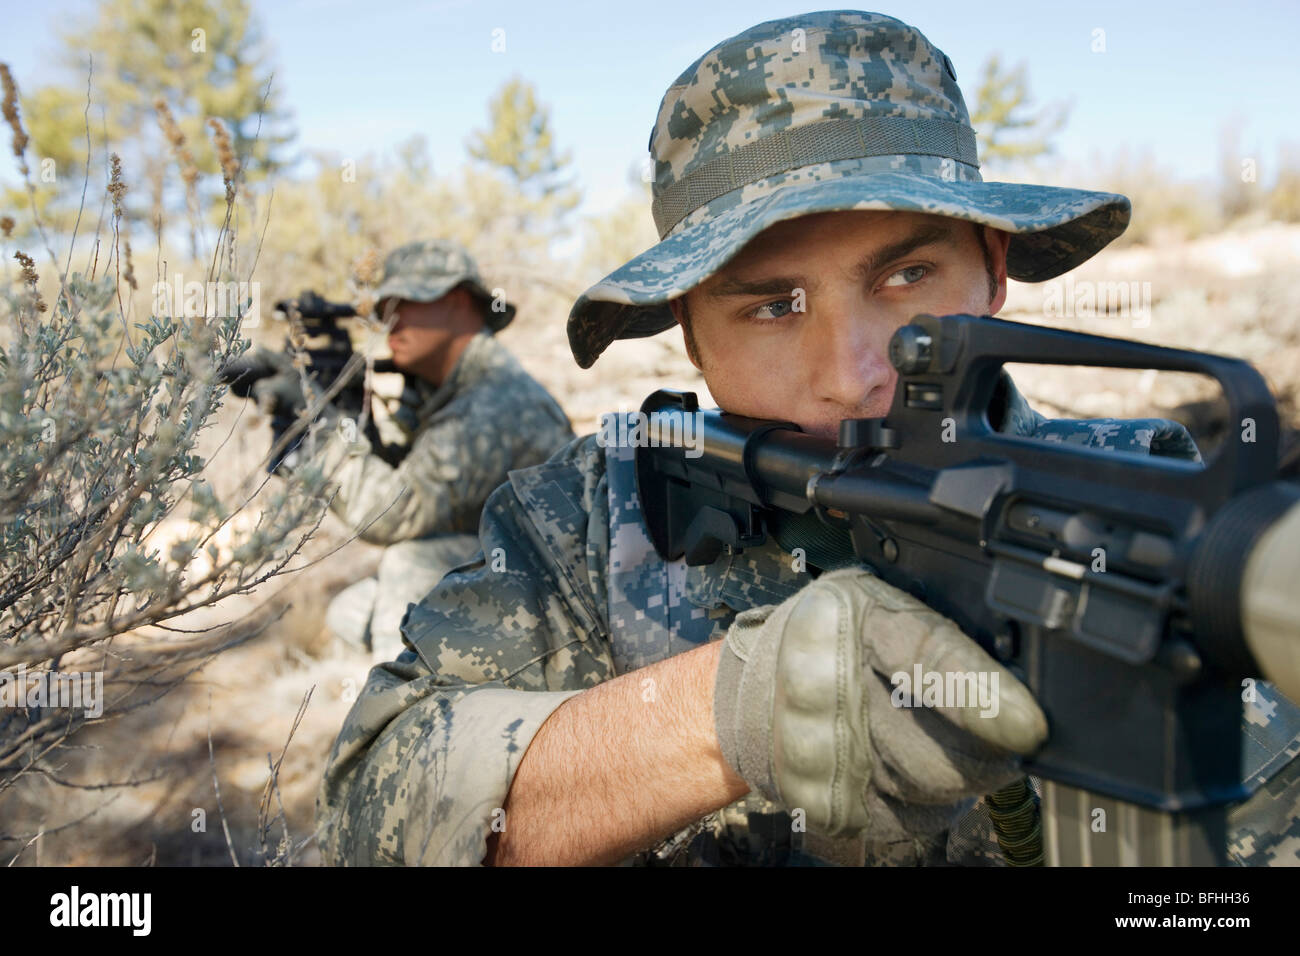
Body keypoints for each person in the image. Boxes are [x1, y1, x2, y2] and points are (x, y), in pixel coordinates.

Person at [315, 12, 1300, 866]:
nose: (851, 371)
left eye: (906, 275)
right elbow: (371, 813)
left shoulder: (1151, 500)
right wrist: (720, 715)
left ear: (991, 268)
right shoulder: (583, 522)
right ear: (690, 331)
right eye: (773, 305)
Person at [263, 239, 574, 662]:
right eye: (383, 308)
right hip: (526, 591)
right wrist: (346, 416)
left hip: (565, 613)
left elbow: (393, 513)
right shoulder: (455, 389)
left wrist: (319, 428)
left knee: (409, 564)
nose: (390, 321)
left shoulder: (493, 401)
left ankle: (409, 719)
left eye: (405, 302)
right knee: (351, 614)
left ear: (458, 302)